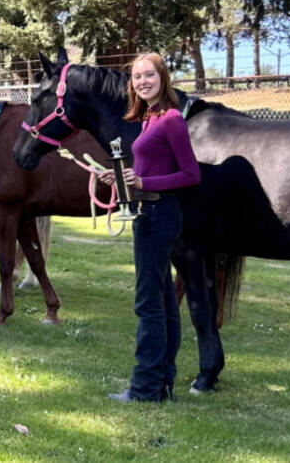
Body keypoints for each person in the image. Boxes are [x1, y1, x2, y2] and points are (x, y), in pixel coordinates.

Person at [97, 52, 200, 402]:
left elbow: (191, 175)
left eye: (149, 75)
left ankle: (144, 389)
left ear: (163, 78)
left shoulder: (171, 119)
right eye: (137, 76)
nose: (143, 82)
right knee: (165, 304)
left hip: (159, 215)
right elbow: (151, 170)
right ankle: (162, 384)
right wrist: (121, 176)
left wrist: (142, 182)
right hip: (149, 212)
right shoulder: (148, 119)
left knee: (148, 304)